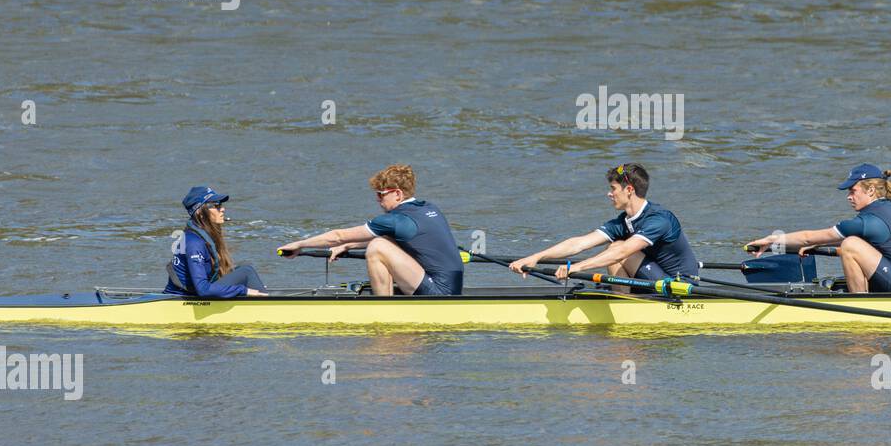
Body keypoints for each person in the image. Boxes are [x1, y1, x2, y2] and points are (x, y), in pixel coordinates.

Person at [746, 164, 891, 293]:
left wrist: (771, 240)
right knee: (850, 243)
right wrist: (825, 246)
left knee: (850, 245)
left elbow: (807, 238)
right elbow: (878, 241)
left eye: (853, 191)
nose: (849, 197)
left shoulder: (867, 221)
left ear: (870, 190)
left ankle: (860, 305)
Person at [277, 165, 463, 296]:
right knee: (383, 242)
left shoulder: (395, 220)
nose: (377, 199)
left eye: (381, 194)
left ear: (397, 194)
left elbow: (337, 236)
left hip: (439, 292)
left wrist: (299, 244)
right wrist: (349, 246)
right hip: (451, 286)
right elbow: (399, 237)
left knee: (377, 247)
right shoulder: (428, 208)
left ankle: (383, 310)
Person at [508, 163, 699, 281]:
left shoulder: (659, 219)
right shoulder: (623, 222)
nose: (609, 194)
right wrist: (535, 257)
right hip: (653, 278)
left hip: (678, 286)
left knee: (618, 248)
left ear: (629, 190)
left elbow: (622, 252)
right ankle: (622, 303)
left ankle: (624, 308)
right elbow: (578, 244)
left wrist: (576, 268)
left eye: (613, 189)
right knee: (615, 245)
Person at [165, 186, 267, 297]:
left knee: (242, 269)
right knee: (246, 272)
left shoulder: (200, 235)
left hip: (194, 293)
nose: (222, 209)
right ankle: (267, 304)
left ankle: (263, 298)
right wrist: (244, 290)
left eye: (221, 205)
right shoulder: (194, 243)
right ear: (200, 212)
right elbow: (203, 289)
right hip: (181, 299)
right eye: (216, 205)